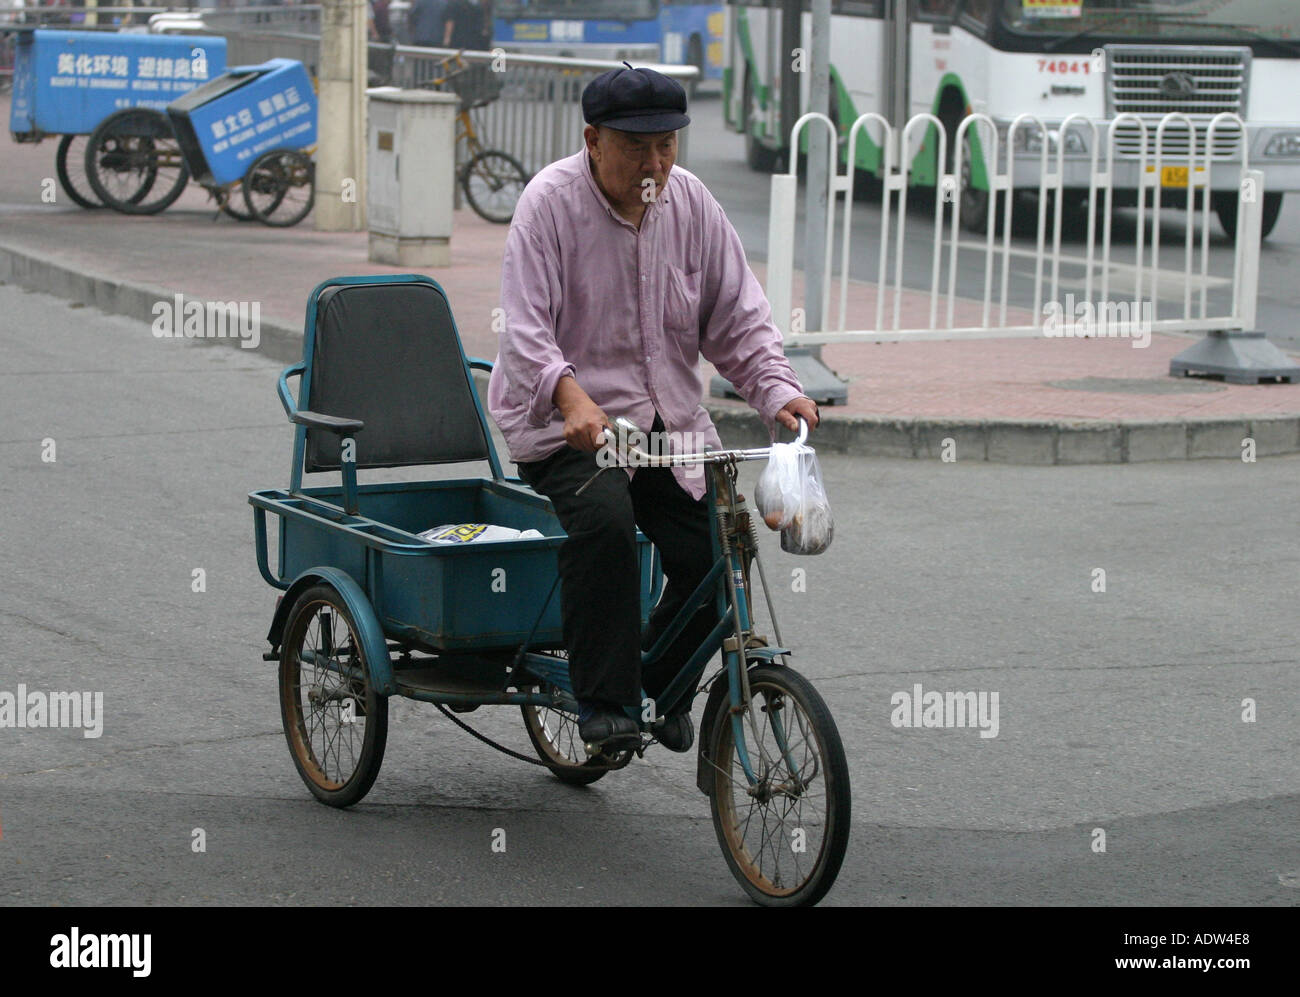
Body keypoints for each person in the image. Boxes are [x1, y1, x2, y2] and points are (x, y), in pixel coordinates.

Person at [487, 65, 819, 753]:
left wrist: (778, 391)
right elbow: (524, 332)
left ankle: (658, 681)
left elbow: (739, 318)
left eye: (667, 144)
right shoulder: (548, 205)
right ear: (592, 140)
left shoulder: (692, 205)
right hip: (567, 428)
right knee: (606, 525)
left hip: (667, 426)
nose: (655, 162)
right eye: (636, 146)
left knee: (719, 549)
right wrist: (570, 395)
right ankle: (603, 703)